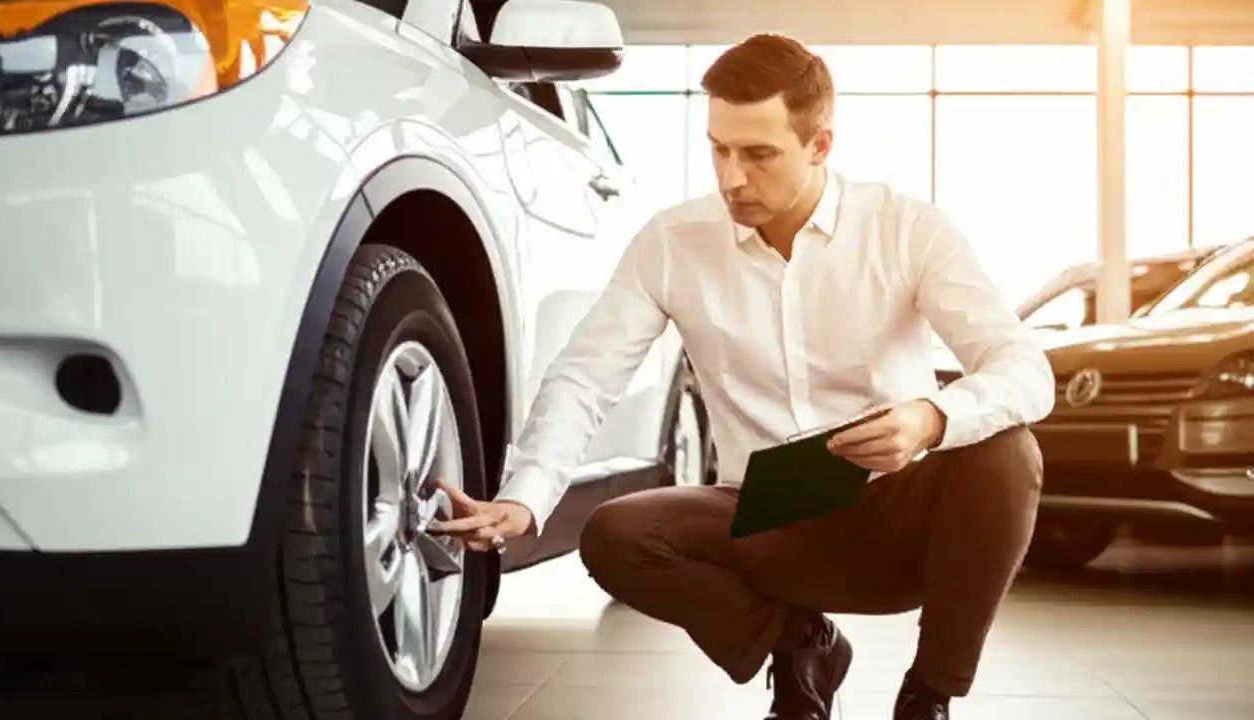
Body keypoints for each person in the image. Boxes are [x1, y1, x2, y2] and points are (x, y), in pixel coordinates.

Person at [432, 33, 1056, 720]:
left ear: (820, 145)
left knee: (1007, 453)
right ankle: (802, 643)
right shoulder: (673, 243)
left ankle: (928, 696)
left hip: (893, 513)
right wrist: (525, 497)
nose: (731, 177)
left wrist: (931, 419)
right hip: (764, 515)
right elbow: (585, 375)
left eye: (758, 154)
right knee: (614, 536)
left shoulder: (907, 229)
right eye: (718, 149)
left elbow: (1025, 370)